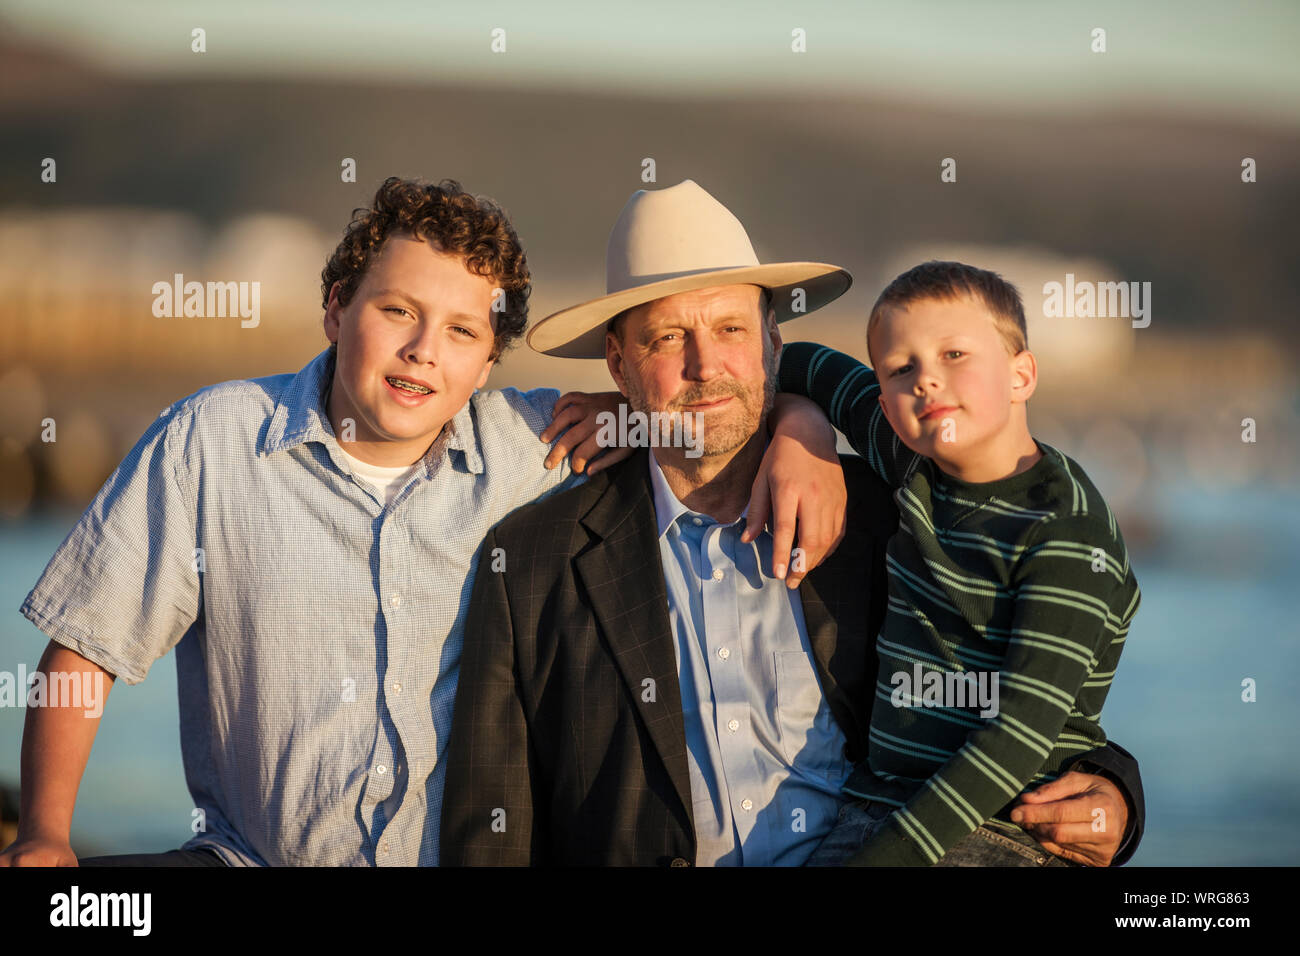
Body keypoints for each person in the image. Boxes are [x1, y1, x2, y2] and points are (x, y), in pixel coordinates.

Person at [0, 177, 839, 867]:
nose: (423, 350)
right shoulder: (213, 443)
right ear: (336, 309)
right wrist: (43, 831)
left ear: (487, 362)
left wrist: (800, 425)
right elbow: (86, 646)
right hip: (246, 857)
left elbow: (705, 407)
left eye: (462, 331)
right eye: (398, 311)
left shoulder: (535, 443)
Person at [439, 180, 1144, 866]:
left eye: (731, 329)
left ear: (772, 343)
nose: (705, 365)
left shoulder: (888, 512)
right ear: (619, 366)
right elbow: (491, 829)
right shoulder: (532, 563)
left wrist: (1114, 794)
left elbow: (1026, 703)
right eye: (667, 339)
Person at [783, 261, 1141, 866]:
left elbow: (1017, 738)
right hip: (876, 802)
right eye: (902, 368)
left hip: (1002, 826)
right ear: (884, 405)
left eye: (954, 355)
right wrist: (800, 423)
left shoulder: (1065, 533)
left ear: (1021, 375)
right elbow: (797, 362)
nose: (926, 380)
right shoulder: (911, 463)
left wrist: (885, 859)